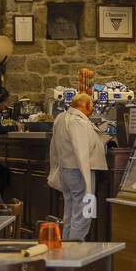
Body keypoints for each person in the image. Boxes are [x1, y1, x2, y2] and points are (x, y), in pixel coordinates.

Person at [48, 92, 109, 241]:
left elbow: (53, 147)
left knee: (69, 213)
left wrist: (54, 168)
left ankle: (66, 246)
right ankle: (75, 250)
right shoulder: (78, 122)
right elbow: (81, 151)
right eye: (92, 105)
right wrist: (88, 184)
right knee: (83, 214)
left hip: (66, 171)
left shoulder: (61, 118)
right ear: (87, 105)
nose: (93, 109)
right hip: (81, 172)